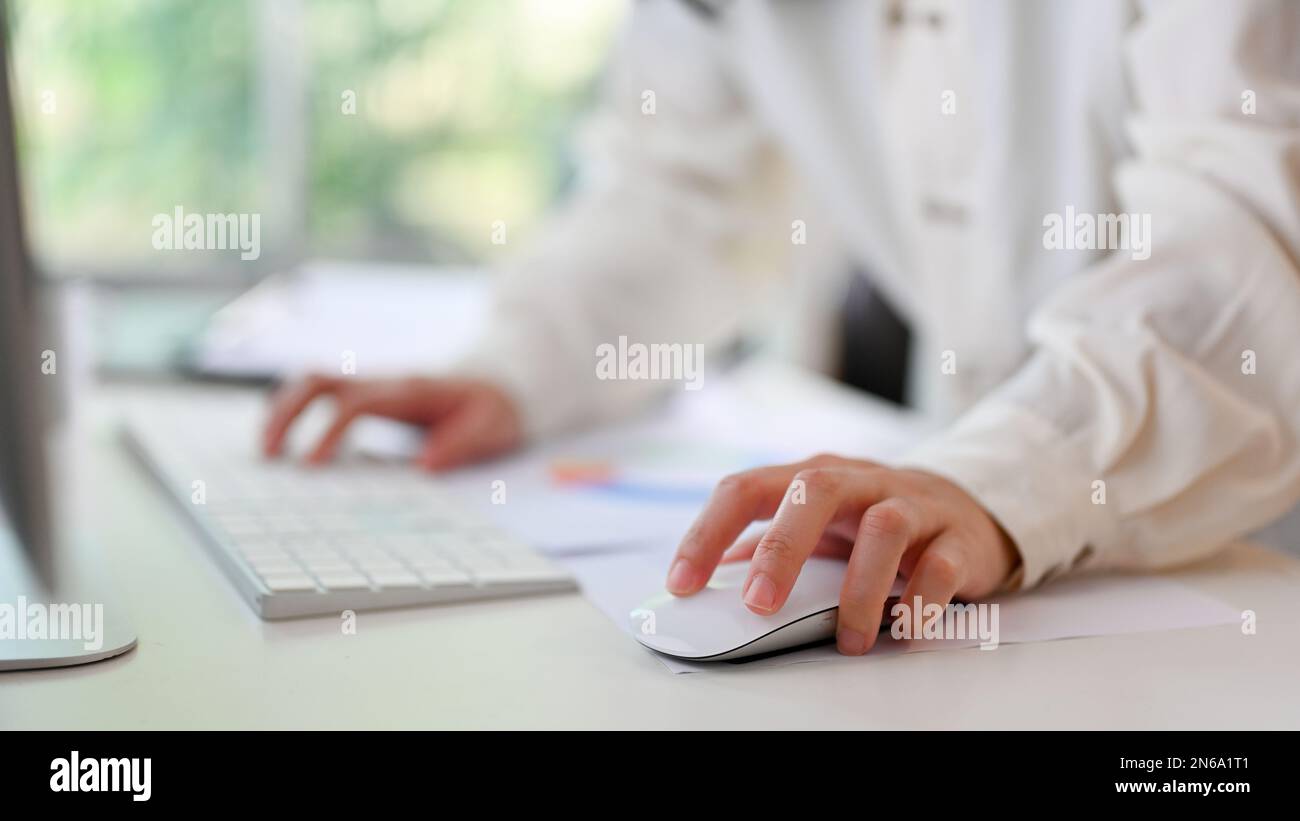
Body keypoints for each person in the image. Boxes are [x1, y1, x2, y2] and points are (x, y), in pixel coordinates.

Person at [263, 0, 1300, 655]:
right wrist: (514, 370)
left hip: (1251, 562)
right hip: (985, 561)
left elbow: (1249, 234)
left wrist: (1005, 478)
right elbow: (681, 192)